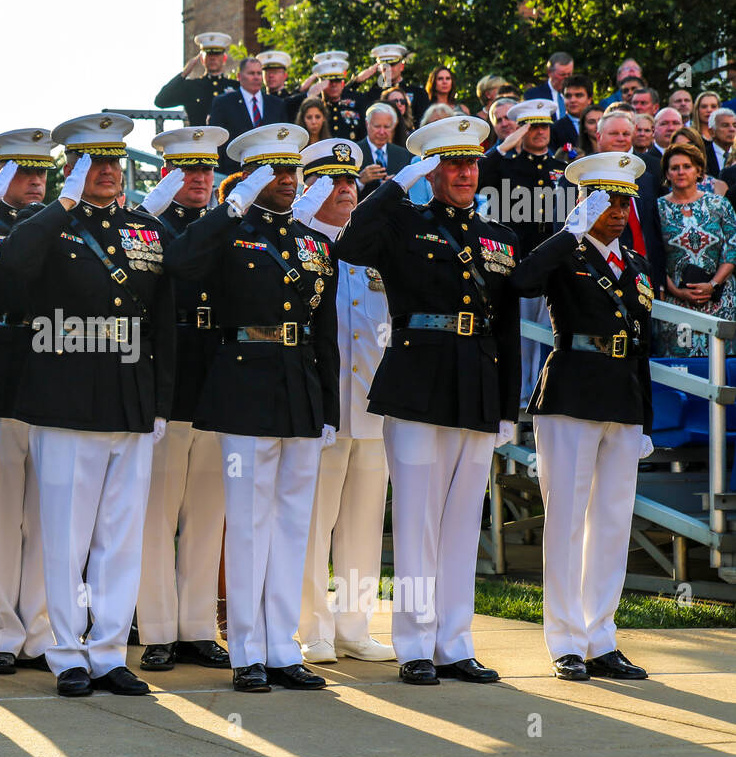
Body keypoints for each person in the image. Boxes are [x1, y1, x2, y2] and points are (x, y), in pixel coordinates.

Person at [335, 115, 520, 687]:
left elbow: (507, 326)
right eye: (451, 163)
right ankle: (414, 643)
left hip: (477, 387)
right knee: (415, 521)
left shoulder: (499, 238)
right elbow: (350, 242)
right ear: (433, 171)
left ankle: (454, 642)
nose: (464, 172)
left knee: (463, 523)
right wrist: (392, 185)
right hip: (417, 381)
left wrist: (508, 407)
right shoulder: (403, 224)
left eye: (471, 163)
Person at [0, 113, 176, 698]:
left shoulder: (144, 228)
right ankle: (67, 651)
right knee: (66, 536)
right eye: (92, 161)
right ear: (72, 166)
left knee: (121, 537)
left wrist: (160, 400)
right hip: (66, 393)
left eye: (113, 161)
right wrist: (64, 205)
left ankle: (109, 651)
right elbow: (10, 267)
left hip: (129, 394)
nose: (106, 171)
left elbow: (165, 319)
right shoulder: (47, 223)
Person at [163, 122, 337, 693]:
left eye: (293, 171)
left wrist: (328, 406)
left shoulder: (314, 243)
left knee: (292, 526)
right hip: (243, 386)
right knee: (247, 525)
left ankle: (281, 647)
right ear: (255, 176)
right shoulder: (229, 232)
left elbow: (325, 332)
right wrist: (231, 204)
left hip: (301, 390)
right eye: (275, 171)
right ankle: (246, 650)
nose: (288, 181)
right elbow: (181, 262)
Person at [510, 153, 653, 681]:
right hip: (571, 394)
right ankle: (565, 639)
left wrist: (647, 421)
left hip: (623, 400)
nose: (617, 211)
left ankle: (601, 636)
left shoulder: (636, 265)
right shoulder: (566, 254)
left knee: (612, 523)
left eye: (623, 201)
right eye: (606, 201)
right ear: (584, 203)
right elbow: (521, 281)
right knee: (567, 520)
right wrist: (568, 232)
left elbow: (643, 345)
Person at [293, 138, 395, 665]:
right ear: (309, 189)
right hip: (324, 411)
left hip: (372, 409)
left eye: (351, 181)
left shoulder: (369, 250)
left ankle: (355, 625)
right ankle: (313, 627)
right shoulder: (300, 247)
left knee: (362, 523)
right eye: (332, 181)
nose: (346, 190)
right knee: (315, 523)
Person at [133, 126, 232, 673]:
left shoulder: (230, 224)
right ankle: (157, 630)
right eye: (186, 170)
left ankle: (197, 627)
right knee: (158, 514)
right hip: (168, 380)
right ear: (166, 172)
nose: (198, 179)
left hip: (216, 376)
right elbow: (174, 266)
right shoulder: (149, 226)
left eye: (205, 170)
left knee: (207, 513)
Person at [0, 127, 56, 674]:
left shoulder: (62, 224)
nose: (36, 181)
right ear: (2, 174)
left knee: (47, 519)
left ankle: (40, 629)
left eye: (43, 171)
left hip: (49, 376)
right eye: (25, 172)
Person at [477, 99, 570, 406]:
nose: (540, 132)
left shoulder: (562, 170)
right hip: (516, 265)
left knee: (549, 334)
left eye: (544, 126)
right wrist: (505, 145)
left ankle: (543, 394)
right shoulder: (506, 165)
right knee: (519, 335)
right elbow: (481, 172)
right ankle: (517, 398)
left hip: (552, 265)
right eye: (532, 127)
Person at [657, 142, 736, 357]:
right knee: (680, 371)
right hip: (676, 303)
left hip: (720, 300)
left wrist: (712, 284)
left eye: (687, 166)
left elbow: (732, 250)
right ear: (667, 173)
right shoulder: (657, 209)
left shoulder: (720, 205)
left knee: (721, 368)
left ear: (698, 171)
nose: (681, 171)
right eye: (674, 168)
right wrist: (677, 291)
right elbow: (653, 257)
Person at [595, 110, 666, 291]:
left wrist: (660, 282)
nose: (621, 138)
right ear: (599, 136)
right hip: (603, 278)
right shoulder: (582, 176)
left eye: (625, 134)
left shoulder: (646, 177)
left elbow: (653, 234)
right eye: (614, 133)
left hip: (646, 274)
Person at [207, 56, 289, 172]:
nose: (256, 77)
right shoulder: (224, 102)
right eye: (251, 73)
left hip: (270, 171)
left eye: (259, 73)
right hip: (234, 172)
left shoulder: (276, 104)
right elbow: (217, 141)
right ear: (239, 76)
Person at [154, 31, 239, 126]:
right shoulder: (191, 86)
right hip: (200, 138)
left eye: (217, 54)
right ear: (202, 59)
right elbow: (160, 101)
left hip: (228, 139)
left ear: (224, 58)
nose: (213, 58)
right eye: (209, 55)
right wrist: (184, 73)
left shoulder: (235, 86)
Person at [353, 43, 429, 123]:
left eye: (392, 64)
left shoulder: (418, 93)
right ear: (379, 68)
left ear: (402, 66)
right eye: (385, 65)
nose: (388, 68)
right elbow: (344, 97)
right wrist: (357, 81)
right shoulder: (373, 94)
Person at [307, 52, 367, 143]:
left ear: (342, 83)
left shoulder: (356, 103)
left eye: (337, 80)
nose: (334, 85)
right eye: (329, 81)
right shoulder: (315, 107)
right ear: (321, 83)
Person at [356, 102, 411, 200]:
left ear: (394, 126)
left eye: (386, 127)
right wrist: (360, 181)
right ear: (367, 124)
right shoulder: (354, 153)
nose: (382, 132)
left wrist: (398, 187)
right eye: (377, 126)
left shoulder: (404, 155)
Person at [668, 126, 727, 197]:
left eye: (689, 146)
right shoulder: (664, 186)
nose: (684, 151)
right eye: (679, 147)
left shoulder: (717, 186)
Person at [523, 52, 575, 119]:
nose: (566, 78)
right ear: (549, 72)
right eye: (562, 74)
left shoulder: (579, 95)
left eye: (569, 74)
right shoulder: (534, 95)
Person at [259, 50, 306, 119]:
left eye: (275, 72)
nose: (271, 76)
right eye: (267, 72)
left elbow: (284, 103)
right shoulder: (258, 100)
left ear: (285, 76)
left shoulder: (294, 100)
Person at [553, 74, 594, 151]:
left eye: (578, 95)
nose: (572, 100)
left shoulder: (602, 123)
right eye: (568, 96)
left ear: (589, 99)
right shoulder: (555, 129)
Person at [707, 107, 736, 178]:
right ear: (712, 132)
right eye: (725, 125)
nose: (732, 129)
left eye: (735, 125)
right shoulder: (702, 155)